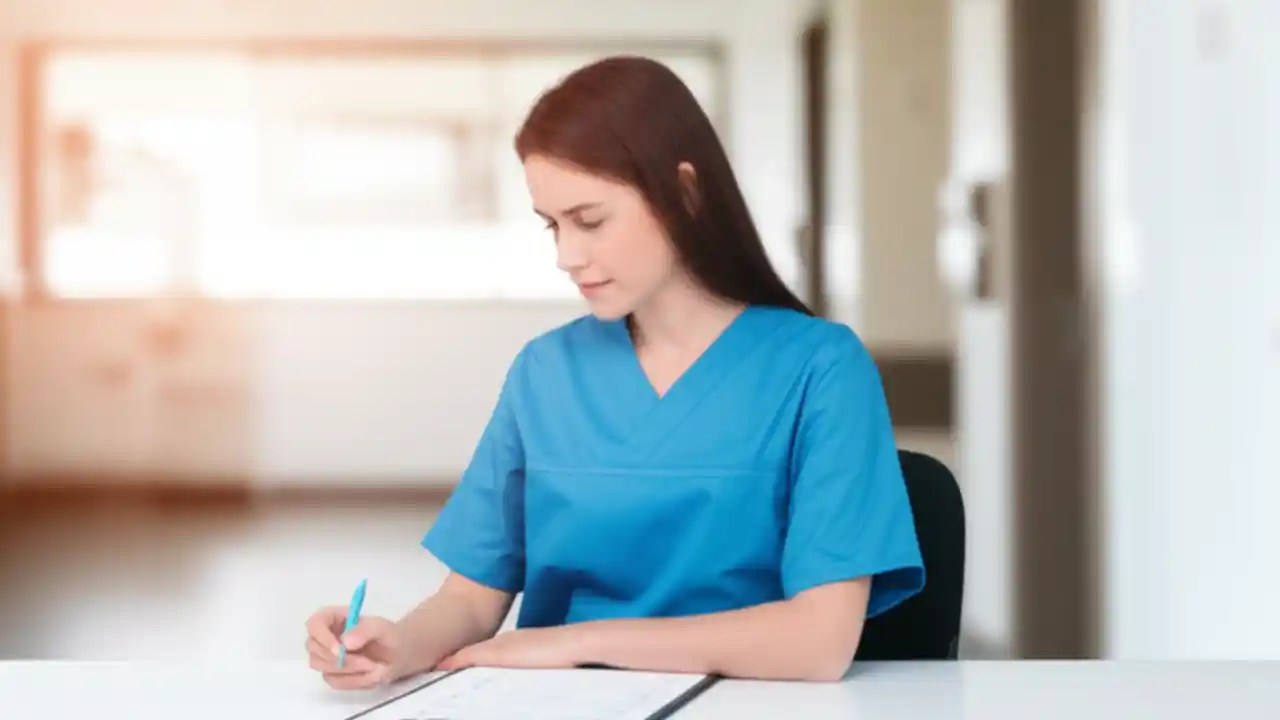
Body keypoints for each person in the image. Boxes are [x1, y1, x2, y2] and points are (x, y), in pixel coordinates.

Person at [304, 55, 924, 686]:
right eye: (552, 225)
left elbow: (819, 643)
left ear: (683, 191)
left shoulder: (821, 368)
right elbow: (470, 599)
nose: (566, 256)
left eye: (590, 220)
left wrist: (574, 644)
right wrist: (399, 645)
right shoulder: (545, 372)